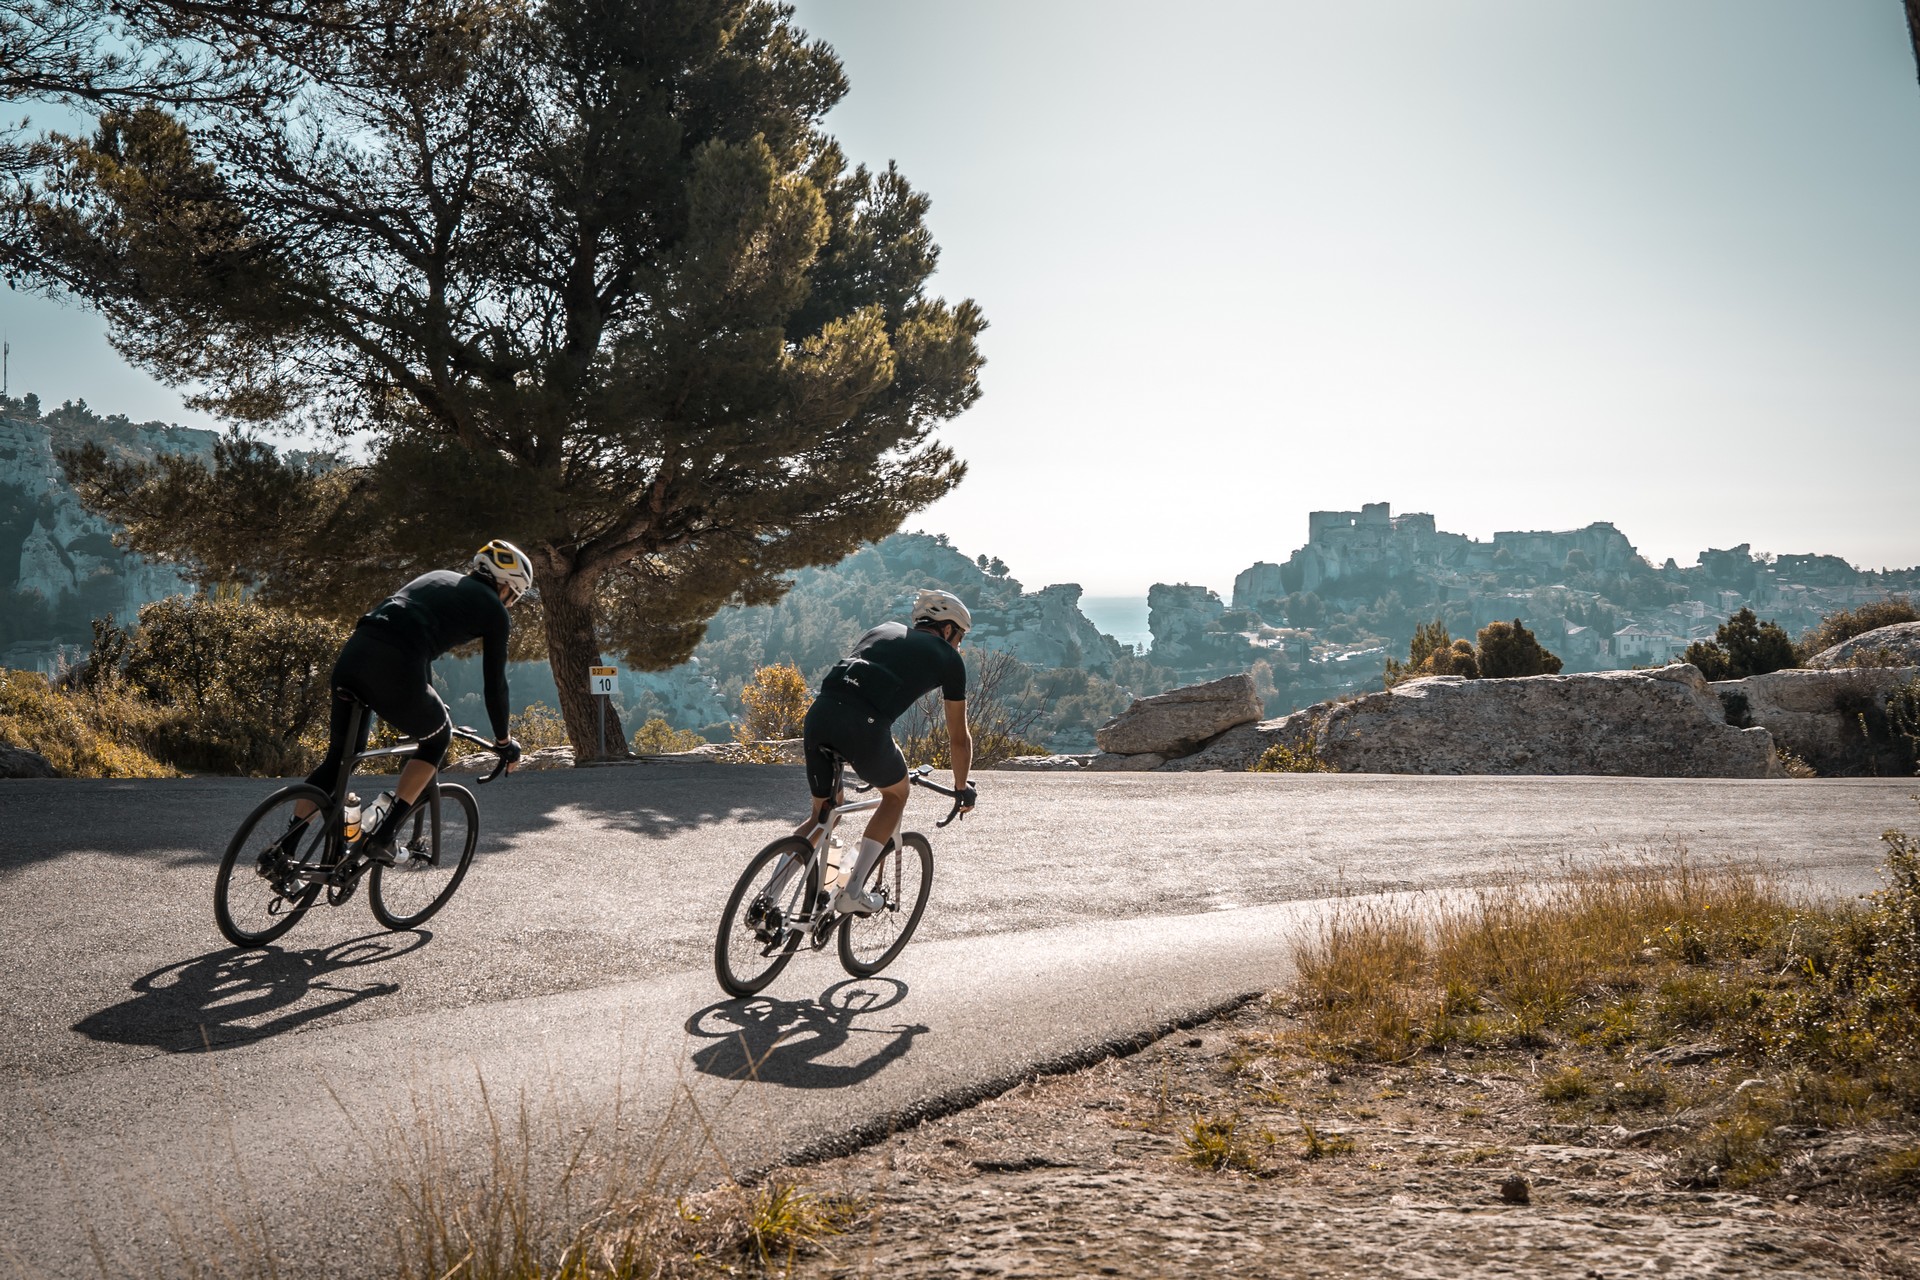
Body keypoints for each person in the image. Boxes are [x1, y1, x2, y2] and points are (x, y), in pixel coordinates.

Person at [297, 540, 532, 863]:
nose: (508, 602)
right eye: (513, 596)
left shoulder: (437, 576)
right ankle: (385, 836)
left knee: (338, 760)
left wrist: (428, 697)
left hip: (354, 655)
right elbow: (495, 686)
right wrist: (504, 741)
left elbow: (409, 632)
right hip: (397, 668)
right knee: (438, 739)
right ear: (507, 586)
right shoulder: (494, 610)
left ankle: (283, 850)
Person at [798, 588, 978, 915]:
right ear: (948, 629)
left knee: (823, 815)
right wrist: (961, 787)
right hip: (864, 726)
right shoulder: (949, 658)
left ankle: (769, 895)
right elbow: (958, 738)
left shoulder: (883, 629)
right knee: (896, 794)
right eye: (960, 635)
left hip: (819, 714)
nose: (959, 644)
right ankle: (852, 890)